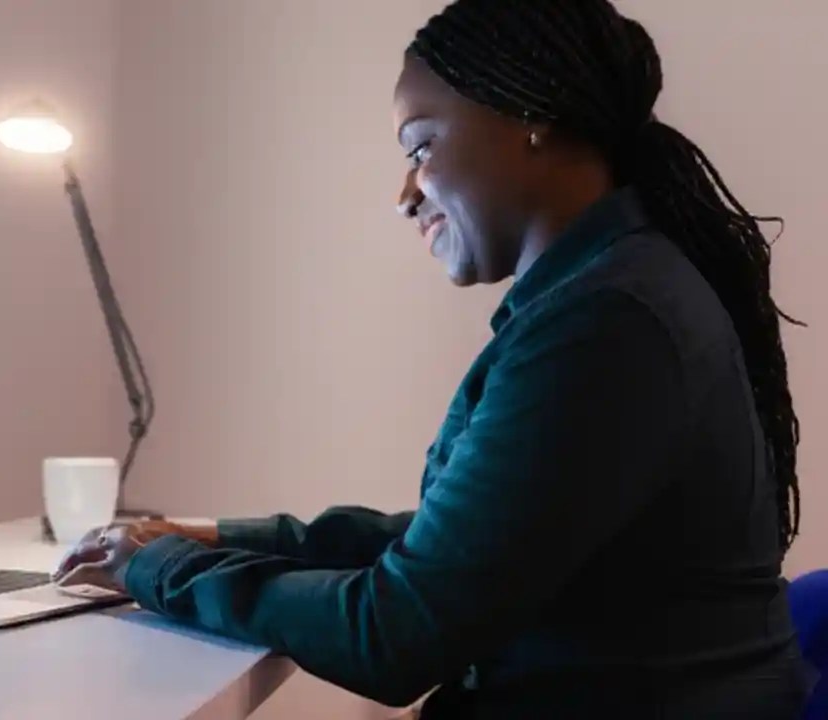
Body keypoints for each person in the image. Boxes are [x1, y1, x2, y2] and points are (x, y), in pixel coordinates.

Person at [54, 0, 814, 716]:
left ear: (532, 116)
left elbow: (396, 633)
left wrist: (153, 570)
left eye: (420, 145)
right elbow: (454, 548)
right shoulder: (610, 293)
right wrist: (212, 536)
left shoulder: (609, 321)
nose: (404, 193)